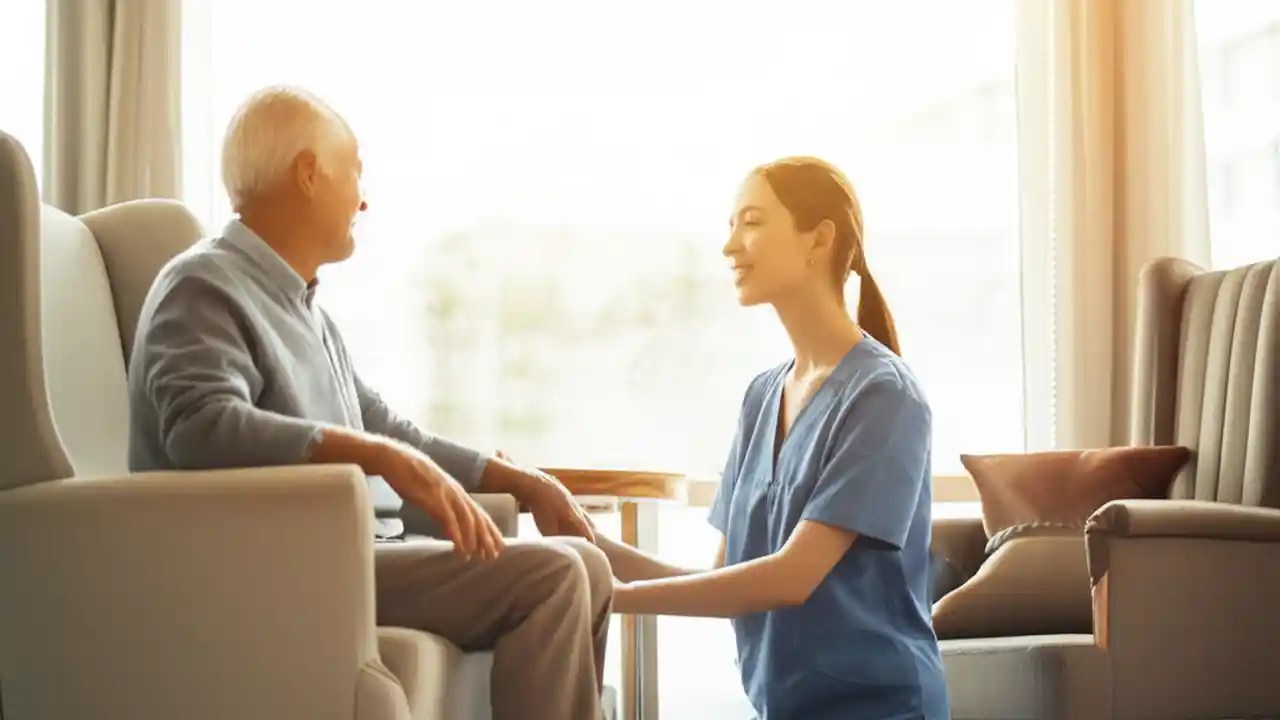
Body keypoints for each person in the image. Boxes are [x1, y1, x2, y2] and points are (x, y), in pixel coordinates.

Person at [127, 85, 611, 720]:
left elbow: (389, 430)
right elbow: (200, 428)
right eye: (355, 172)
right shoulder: (202, 284)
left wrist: (523, 481)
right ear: (309, 173)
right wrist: (377, 456)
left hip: (348, 557)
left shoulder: (308, 312)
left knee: (588, 566)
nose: (364, 199)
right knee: (553, 576)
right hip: (278, 569)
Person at [595, 157, 949, 719]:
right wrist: (588, 548)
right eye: (731, 225)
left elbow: (790, 577)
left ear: (820, 239)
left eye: (752, 222)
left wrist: (608, 599)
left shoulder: (884, 395)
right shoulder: (762, 396)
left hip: (882, 708)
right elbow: (725, 580)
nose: (730, 246)